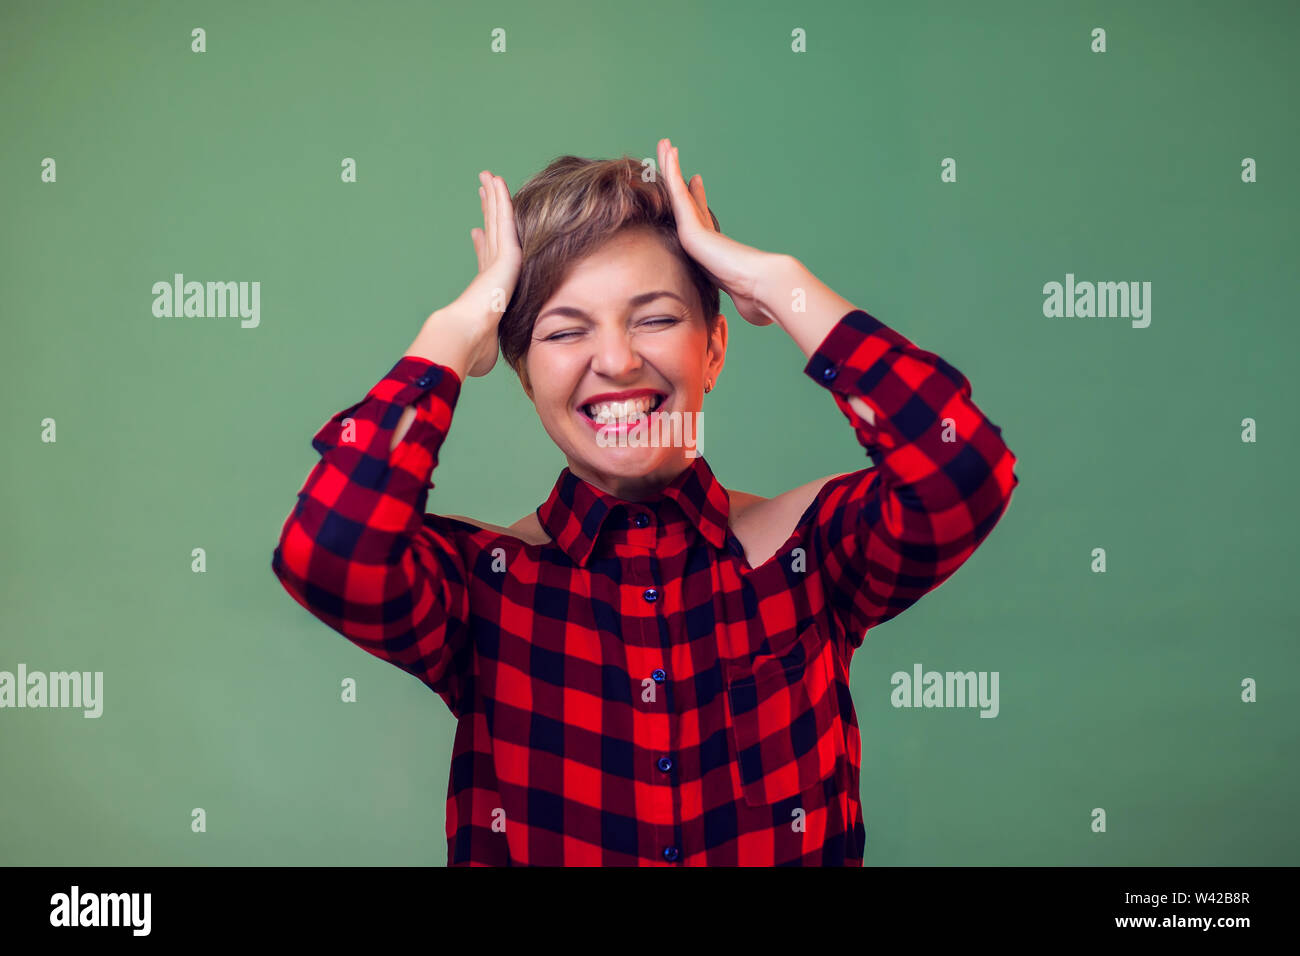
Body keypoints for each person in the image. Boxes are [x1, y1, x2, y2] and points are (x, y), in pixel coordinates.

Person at [271, 137, 1021, 865]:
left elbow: (964, 471)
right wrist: (450, 336)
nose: (618, 359)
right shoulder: (482, 587)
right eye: (566, 331)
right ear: (528, 379)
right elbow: (327, 553)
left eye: (656, 318)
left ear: (715, 349)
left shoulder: (808, 552)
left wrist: (780, 282)